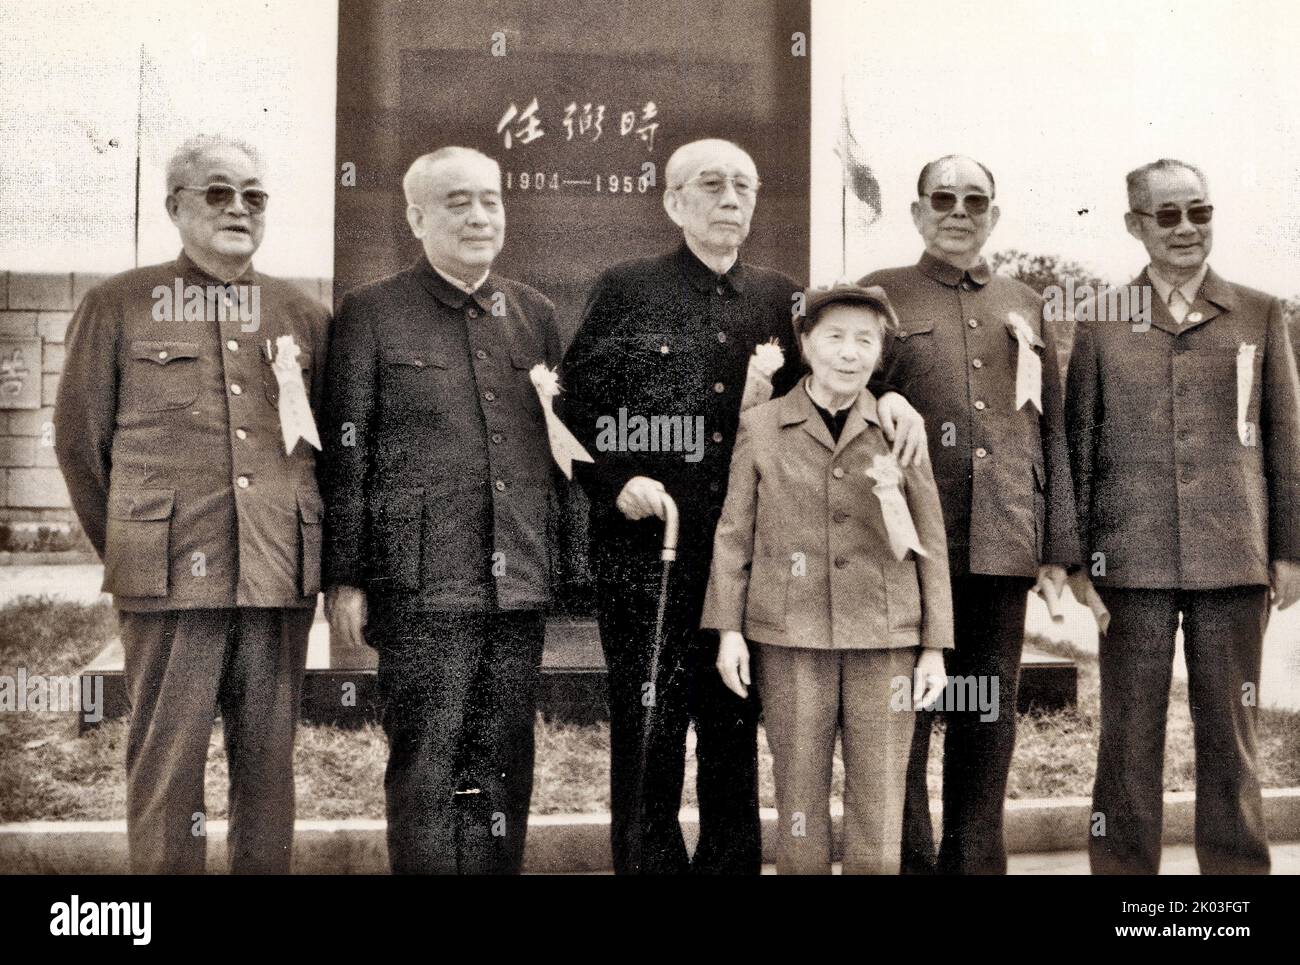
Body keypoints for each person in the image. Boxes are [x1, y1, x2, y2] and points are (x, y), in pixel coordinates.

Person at [559, 138, 927, 874]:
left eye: (745, 186)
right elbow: (571, 407)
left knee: (733, 733)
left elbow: (832, 380)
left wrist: (889, 396)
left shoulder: (782, 296)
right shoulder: (627, 288)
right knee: (650, 733)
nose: (732, 199)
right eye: (713, 184)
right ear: (673, 201)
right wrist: (613, 483)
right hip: (649, 557)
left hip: (754, 559)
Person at [54, 133, 330, 873]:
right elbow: (81, 447)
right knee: (168, 772)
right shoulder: (118, 304)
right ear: (176, 205)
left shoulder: (300, 313)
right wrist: (136, 541)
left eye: (254, 195)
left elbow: (327, 449)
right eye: (217, 192)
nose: (239, 207)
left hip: (276, 574)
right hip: (171, 577)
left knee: (269, 770)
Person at [320, 146, 563, 874]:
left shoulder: (535, 314)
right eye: (458, 201)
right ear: (416, 216)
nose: (480, 215)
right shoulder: (371, 312)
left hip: (515, 583)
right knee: (428, 769)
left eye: (490, 199)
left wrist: (560, 566)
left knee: (502, 768)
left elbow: (559, 452)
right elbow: (346, 456)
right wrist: (348, 576)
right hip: (420, 584)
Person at [1066, 158, 1300, 874]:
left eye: (1198, 211)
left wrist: (1288, 550)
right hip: (1128, 563)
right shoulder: (1102, 320)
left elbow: (1286, 436)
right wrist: (1077, 558)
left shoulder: (1260, 312)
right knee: (1128, 735)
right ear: (1135, 224)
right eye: (1166, 215)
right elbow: (1079, 440)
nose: (1186, 228)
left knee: (1231, 735)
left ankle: (1234, 886)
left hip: (1233, 558)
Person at [860, 155, 1080, 875]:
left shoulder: (1026, 300)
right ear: (919, 212)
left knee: (985, 717)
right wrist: (879, 398)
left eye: (975, 200)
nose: (960, 211)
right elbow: (835, 395)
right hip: (907, 546)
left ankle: (976, 865)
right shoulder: (879, 294)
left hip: (1001, 543)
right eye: (944, 199)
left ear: (994, 213)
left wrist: (1056, 545)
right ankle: (908, 864)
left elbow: (1048, 427)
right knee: (906, 716)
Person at [702, 284, 952, 874]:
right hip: (790, 639)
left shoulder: (898, 428)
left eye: (865, 340)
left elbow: (931, 541)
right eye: (834, 337)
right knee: (799, 801)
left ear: (880, 351)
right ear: (806, 343)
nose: (849, 353)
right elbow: (734, 533)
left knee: (881, 800)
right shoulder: (762, 426)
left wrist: (934, 646)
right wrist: (729, 632)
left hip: (887, 638)